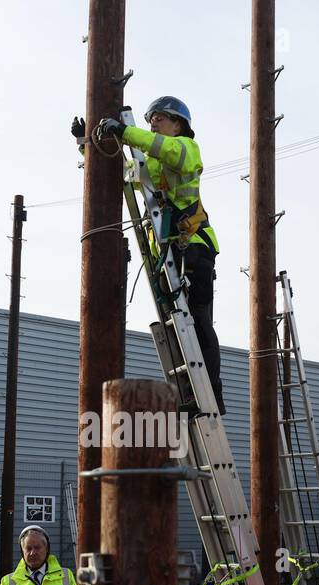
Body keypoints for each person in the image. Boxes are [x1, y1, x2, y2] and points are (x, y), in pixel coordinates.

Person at [80, 96, 226, 415]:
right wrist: (86, 143)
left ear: (179, 125)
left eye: (161, 117)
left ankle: (212, 395)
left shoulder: (186, 148)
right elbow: (124, 173)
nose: (154, 123)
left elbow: (163, 149)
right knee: (178, 322)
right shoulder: (154, 163)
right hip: (171, 250)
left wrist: (126, 131)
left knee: (198, 319)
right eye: (151, 119)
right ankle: (191, 395)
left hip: (195, 246)